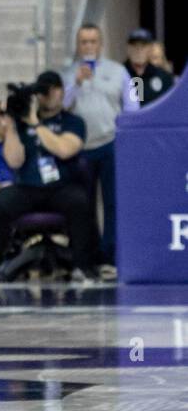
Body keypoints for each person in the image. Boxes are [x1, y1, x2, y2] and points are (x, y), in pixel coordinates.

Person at [0, 71, 96, 282]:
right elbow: (14, 161)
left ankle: (83, 265)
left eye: (51, 91)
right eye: (42, 92)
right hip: (28, 188)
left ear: (60, 92)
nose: (47, 96)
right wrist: (12, 127)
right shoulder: (22, 124)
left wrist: (36, 124)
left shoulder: (73, 122)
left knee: (81, 201)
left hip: (61, 187)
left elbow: (64, 149)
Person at [62, 24, 137, 267]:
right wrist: (76, 83)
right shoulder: (68, 73)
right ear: (78, 45)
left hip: (111, 143)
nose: (88, 46)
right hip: (80, 147)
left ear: (101, 44)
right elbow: (61, 106)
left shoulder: (119, 72)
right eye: (84, 42)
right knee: (83, 204)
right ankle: (88, 256)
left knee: (112, 203)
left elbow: (132, 106)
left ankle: (109, 255)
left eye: (93, 41)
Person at [125, 27, 176, 107]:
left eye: (143, 46)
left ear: (150, 49)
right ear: (128, 48)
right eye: (135, 46)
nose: (139, 50)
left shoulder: (164, 77)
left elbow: (171, 107)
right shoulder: (119, 75)